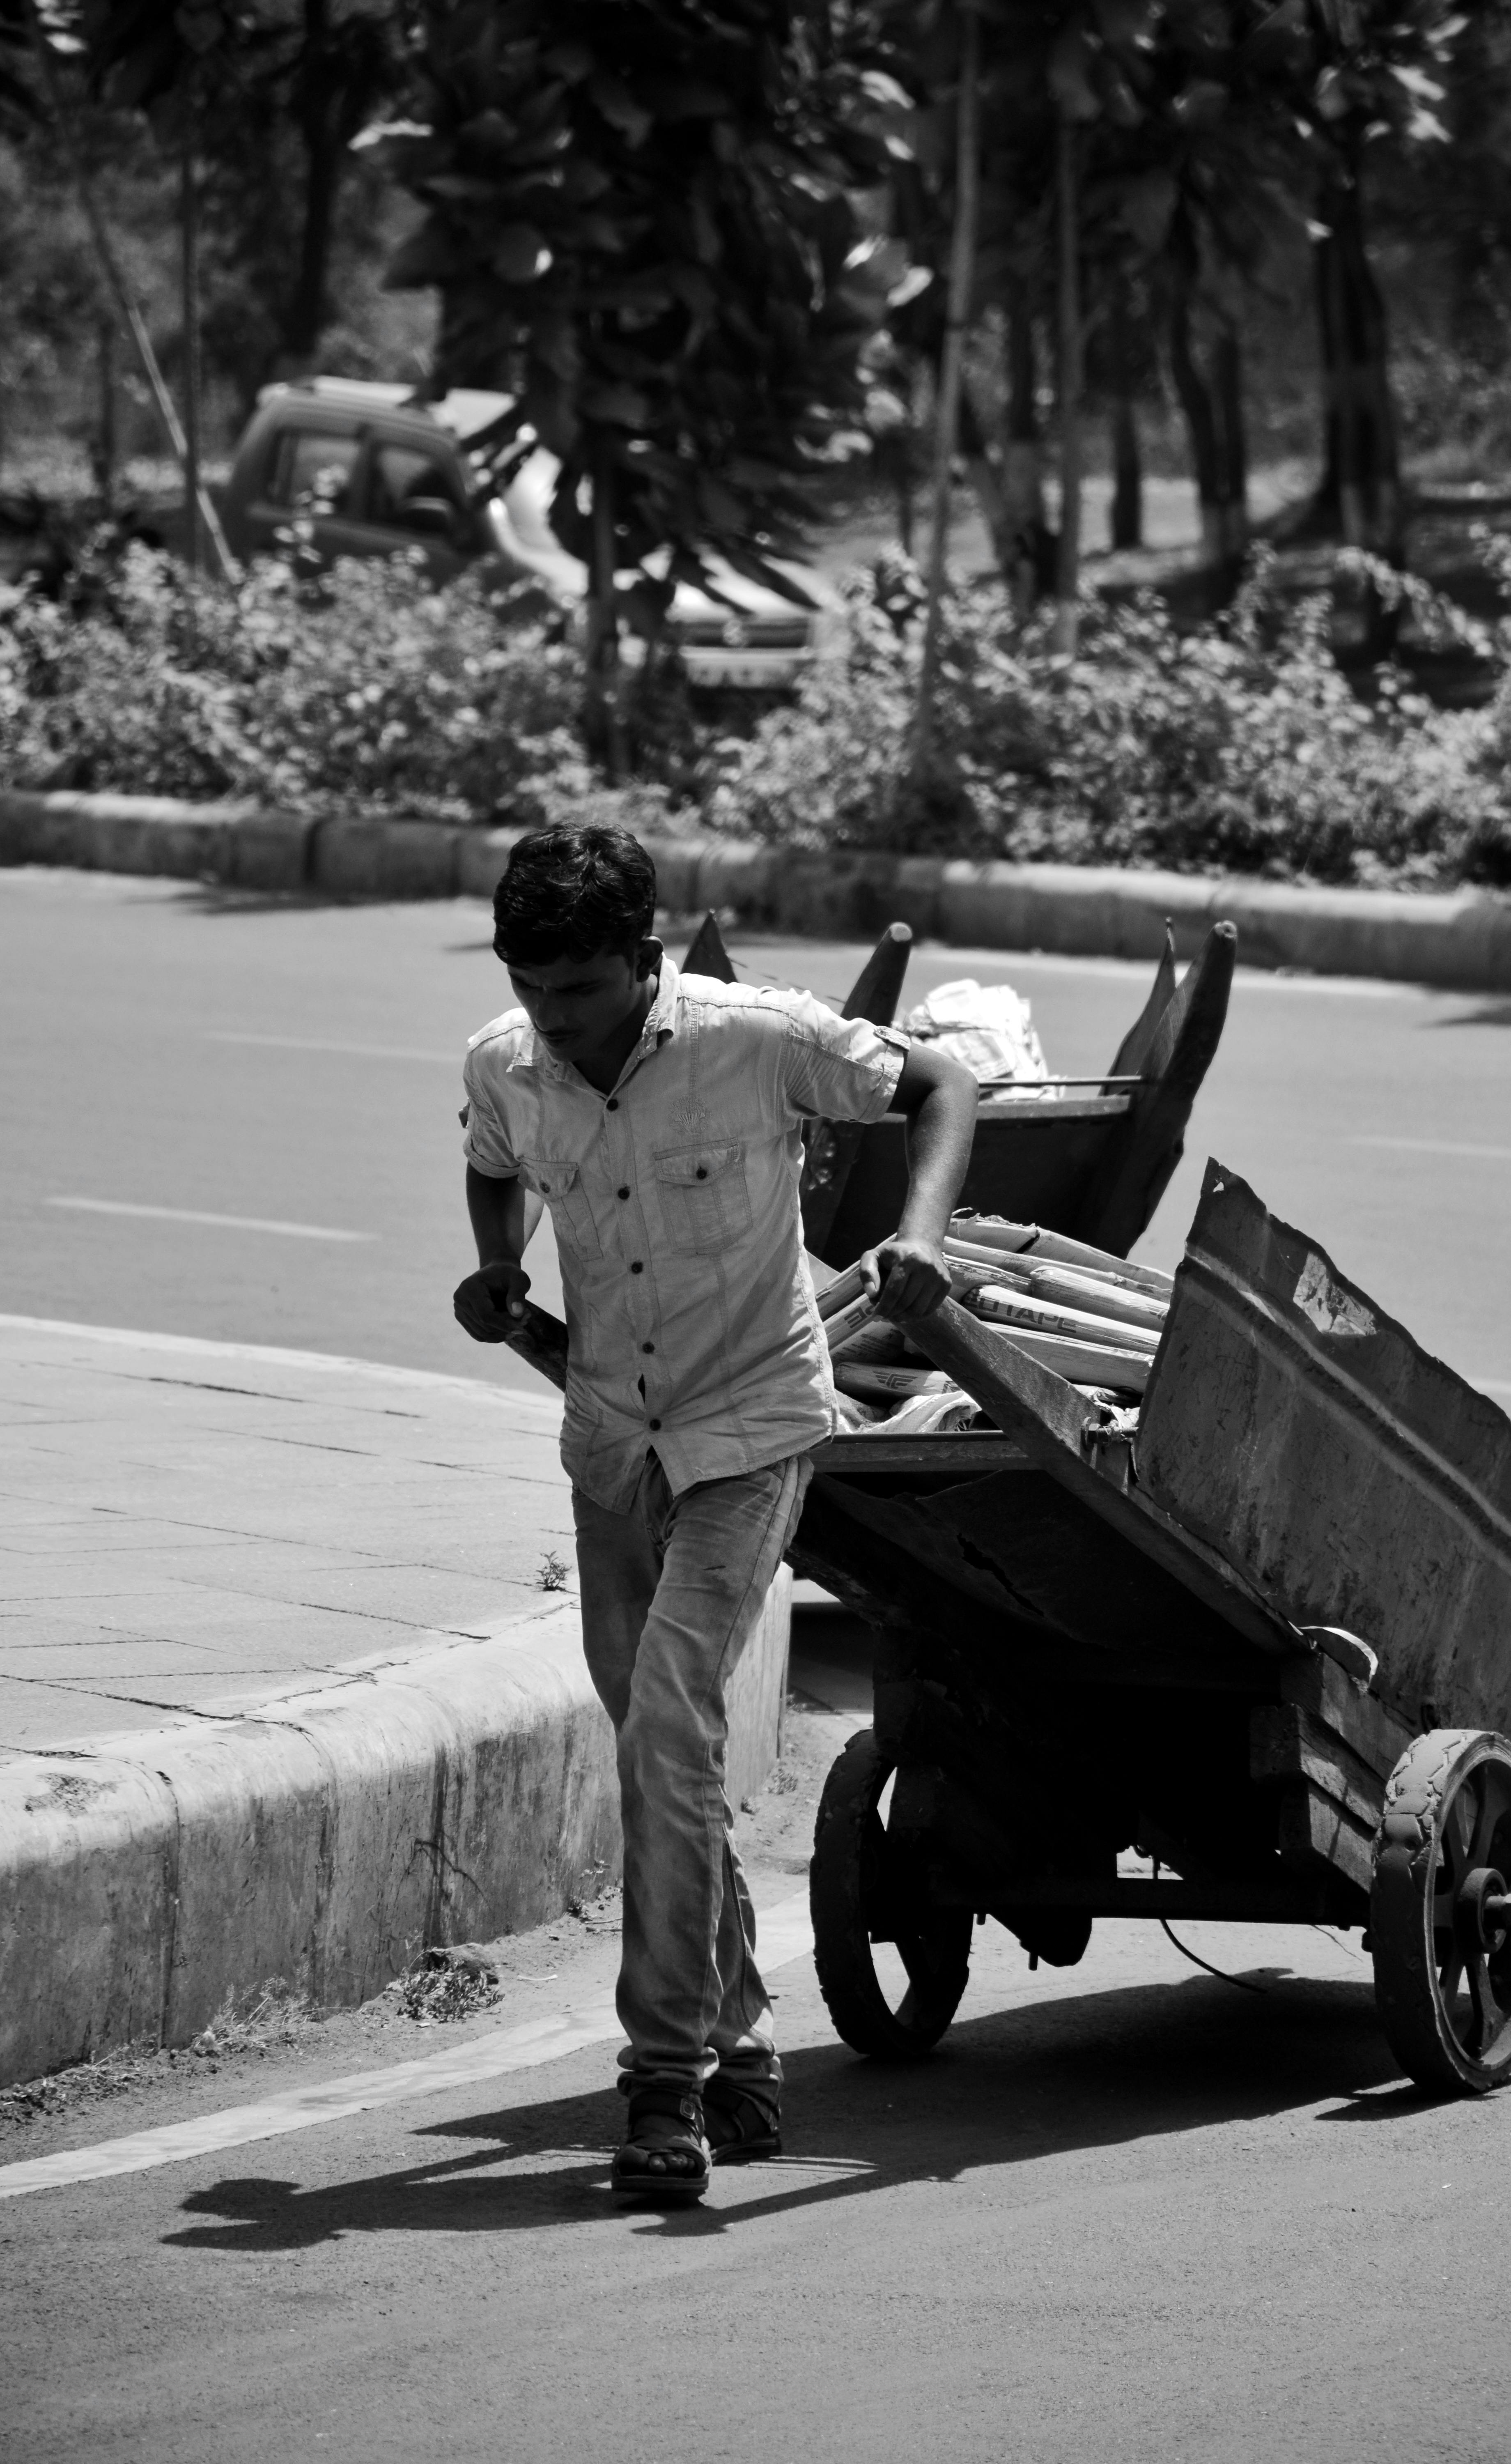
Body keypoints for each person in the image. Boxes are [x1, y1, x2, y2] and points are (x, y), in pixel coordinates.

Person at [453, 823, 977, 2203]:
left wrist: (916, 1238)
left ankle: (664, 2084)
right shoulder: (507, 1064)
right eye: (529, 988)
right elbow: (496, 1159)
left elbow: (942, 1081)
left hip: (750, 1424)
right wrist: (494, 1267)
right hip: (610, 1434)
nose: (549, 1021)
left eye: (575, 991)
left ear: (641, 960)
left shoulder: (758, 1040)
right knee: (661, 1751)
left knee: (672, 1714)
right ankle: (745, 2053)